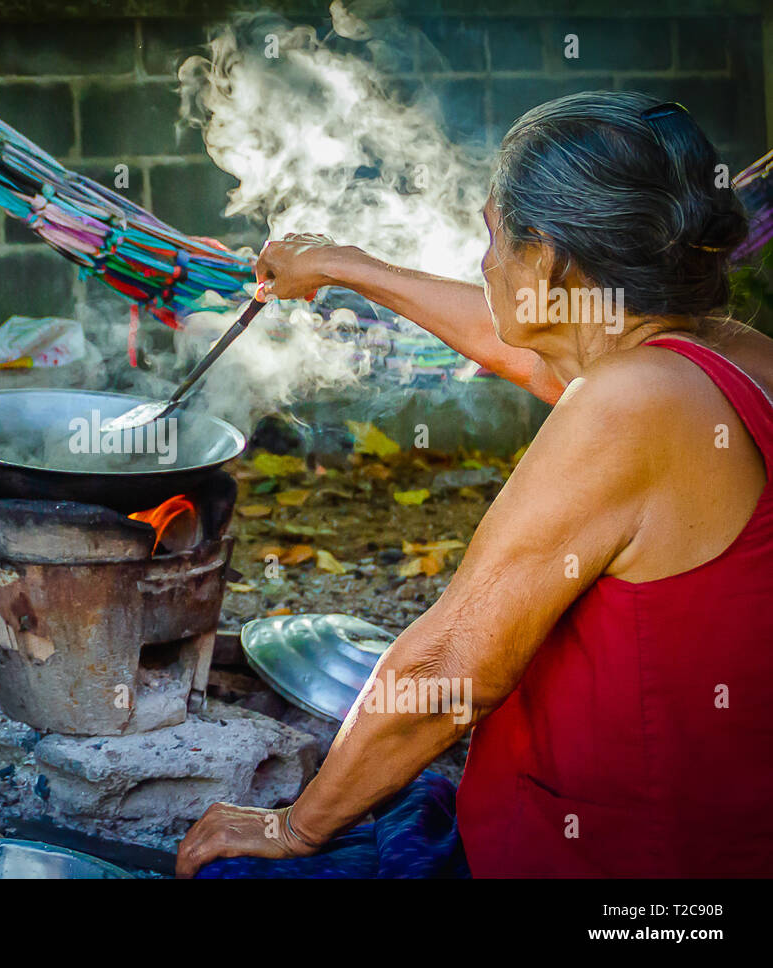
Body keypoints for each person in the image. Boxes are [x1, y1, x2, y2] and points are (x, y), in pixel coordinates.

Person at [177, 91, 773, 878]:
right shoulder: (730, 355)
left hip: (631, 868)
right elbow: (523, 346)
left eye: (493, 237)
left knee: (230, 871)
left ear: (552, 261)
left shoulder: (634, 404)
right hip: (717, 833)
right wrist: (341, 266)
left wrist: (293, 828)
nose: (482, 263)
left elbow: (448, 672)